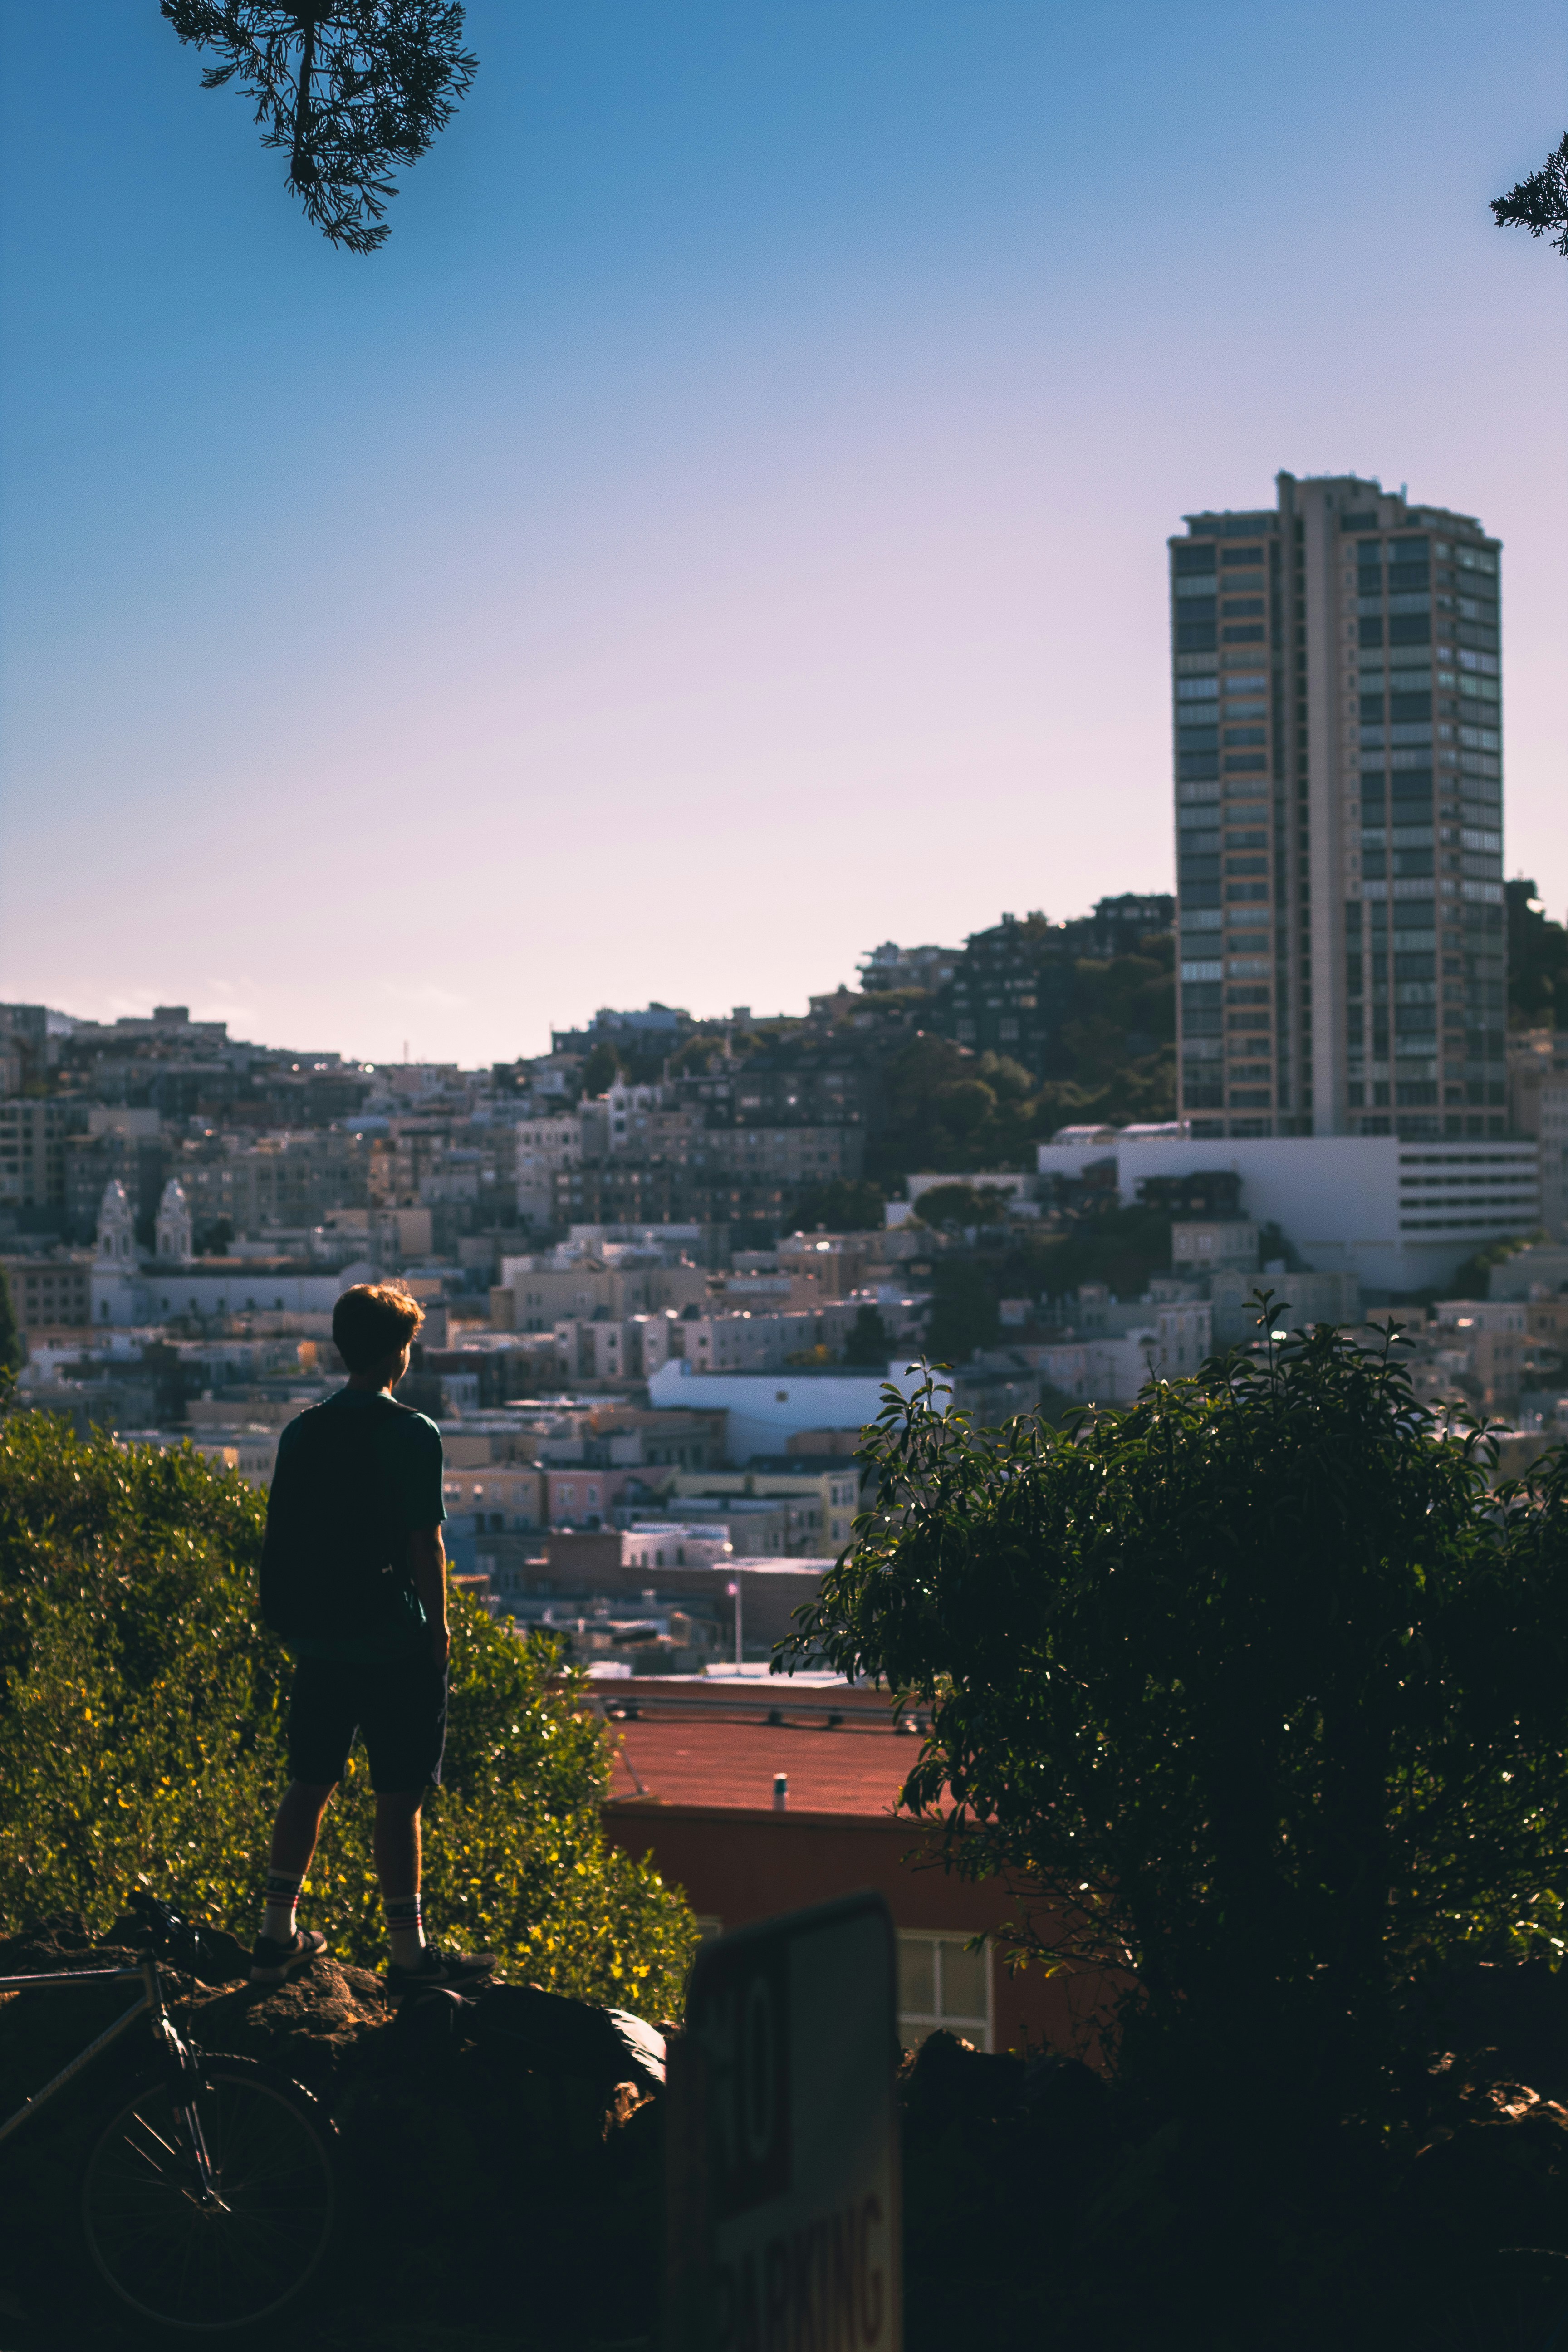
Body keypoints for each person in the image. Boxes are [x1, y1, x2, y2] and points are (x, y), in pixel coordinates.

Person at [249, 1280, 496, 1993]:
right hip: (392, 1637)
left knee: (309, 1783)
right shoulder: (413, 1434)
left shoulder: (302, 1431)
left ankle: (275, 1934)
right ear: (398, 1353)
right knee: (400, 1796)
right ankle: (409, 1949)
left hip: (320, 1639)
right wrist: (439, 1629)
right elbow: (426, 1544)